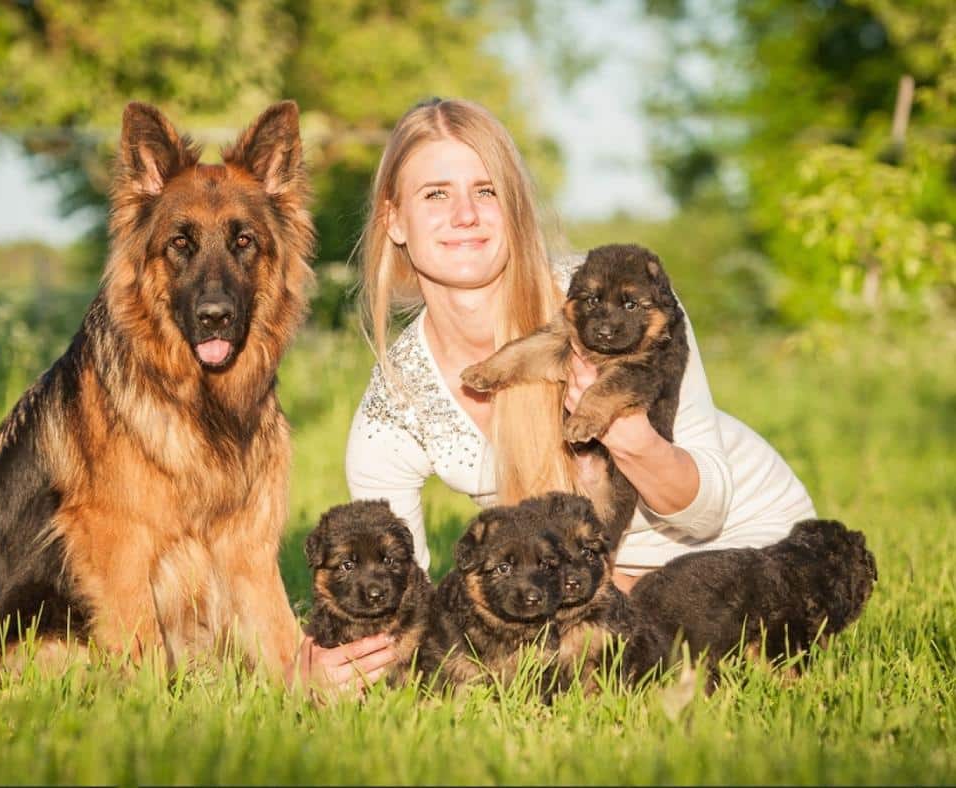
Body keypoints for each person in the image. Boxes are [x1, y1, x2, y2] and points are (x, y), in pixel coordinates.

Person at [293, 97, 815, 693]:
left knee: (602, 658)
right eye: (436, 194)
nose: (465, 214)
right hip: (596, 582)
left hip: (748, 547)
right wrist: (316, 665)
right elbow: (402, 595)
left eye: (486, 192)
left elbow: (706, 512)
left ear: (514, 211)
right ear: (395, 220)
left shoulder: (611, 303)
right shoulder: (397, 399)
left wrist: (631, 438)